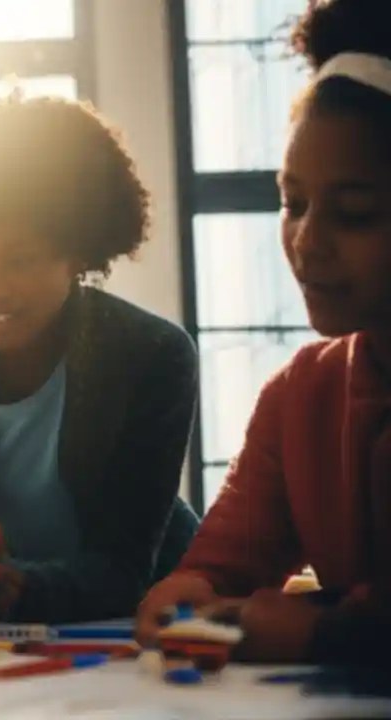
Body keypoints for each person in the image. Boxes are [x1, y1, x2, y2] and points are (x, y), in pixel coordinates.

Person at [0, 92, 201, 624]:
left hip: (142, 618)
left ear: (76, 252)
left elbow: (124, 567)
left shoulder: (152, 356)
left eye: (20, 260)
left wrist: (24, 587)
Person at [136, 0, 391, 666]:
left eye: (354, 213)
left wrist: (319, 633)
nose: (306, 241)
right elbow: (221, 567)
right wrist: (191, 591)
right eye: (292, 203)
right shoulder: (303, 393)